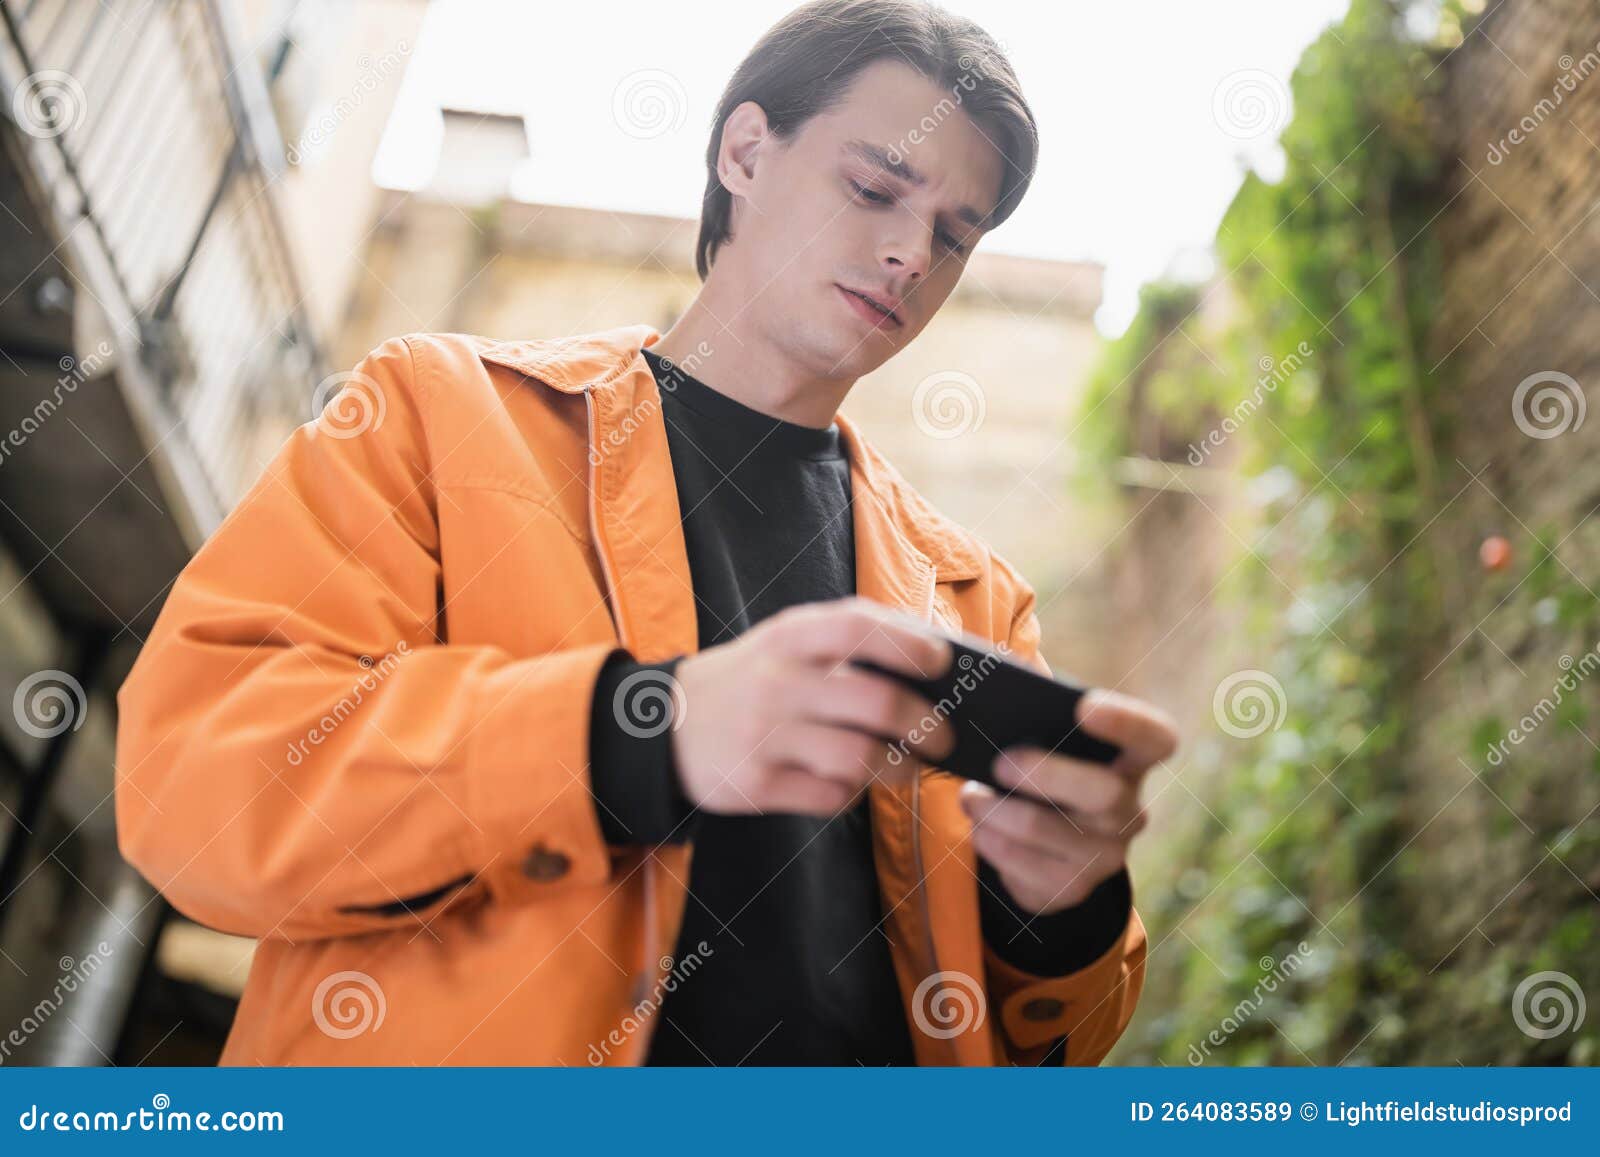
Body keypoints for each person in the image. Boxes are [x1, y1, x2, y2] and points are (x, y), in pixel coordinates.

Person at [114, 0, 1178, 1066]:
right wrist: (638, 732)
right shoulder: (437, 414)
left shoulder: (976, 599)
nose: (910, 253)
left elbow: (1050, 1048)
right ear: (746, 151)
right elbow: (197, 788)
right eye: (873, 188)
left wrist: (1065, 910)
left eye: (955, 233)